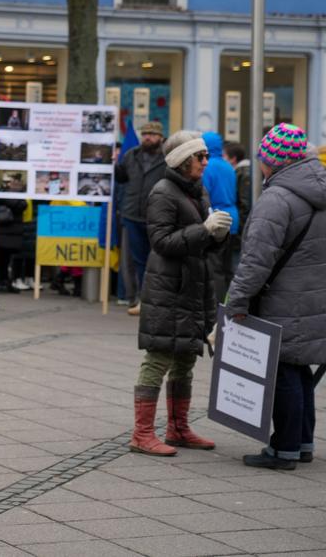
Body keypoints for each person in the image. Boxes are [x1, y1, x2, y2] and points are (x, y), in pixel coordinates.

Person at [225, 124, 325, 470]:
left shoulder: (277, 198)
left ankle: (283, 450)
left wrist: (236, 302)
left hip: (283, 299)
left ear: (273, 161)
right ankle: (303, 443)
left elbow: (255, 260)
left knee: (284, 371)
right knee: (300, 371)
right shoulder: (319, 189)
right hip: (315, 299)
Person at [130, 130, 230, 456]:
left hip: (193, 286)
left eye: (205, 156)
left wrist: (218, 234)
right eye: (199, 157)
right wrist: (203, 230)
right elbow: (161, 242)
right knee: (159, 357)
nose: (206, 162)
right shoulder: (163, 192)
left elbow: (198, 241)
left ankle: (178, 427)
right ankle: (142, 434)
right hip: (168, 287)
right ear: (182, 161)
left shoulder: (195, 190)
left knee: (186, 356)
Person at [116, 121, 167, 316]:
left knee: (155, 260)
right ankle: (135, 298)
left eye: (152, 134)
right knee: (132, 261)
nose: (148, 137)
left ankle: (152, 299)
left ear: (160, 137)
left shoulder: (167, 158)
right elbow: (122, 179)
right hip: (131, 214)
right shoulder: (131, 155)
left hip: (156, 216)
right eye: (145, 134)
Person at [201, 131, 239, 302]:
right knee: (228, 268)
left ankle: (217, 308)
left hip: (217, 218)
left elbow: (205, 194)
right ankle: (230, 303)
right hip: (233, 218)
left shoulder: (207, 166)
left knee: (214, 268)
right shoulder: (228, 166)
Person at [224, 141, 251, 271]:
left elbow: (244, 204)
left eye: (224, 156)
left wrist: (240, 231)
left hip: (240, 230)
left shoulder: (243, 174)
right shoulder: (239, 172)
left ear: (233, 159)